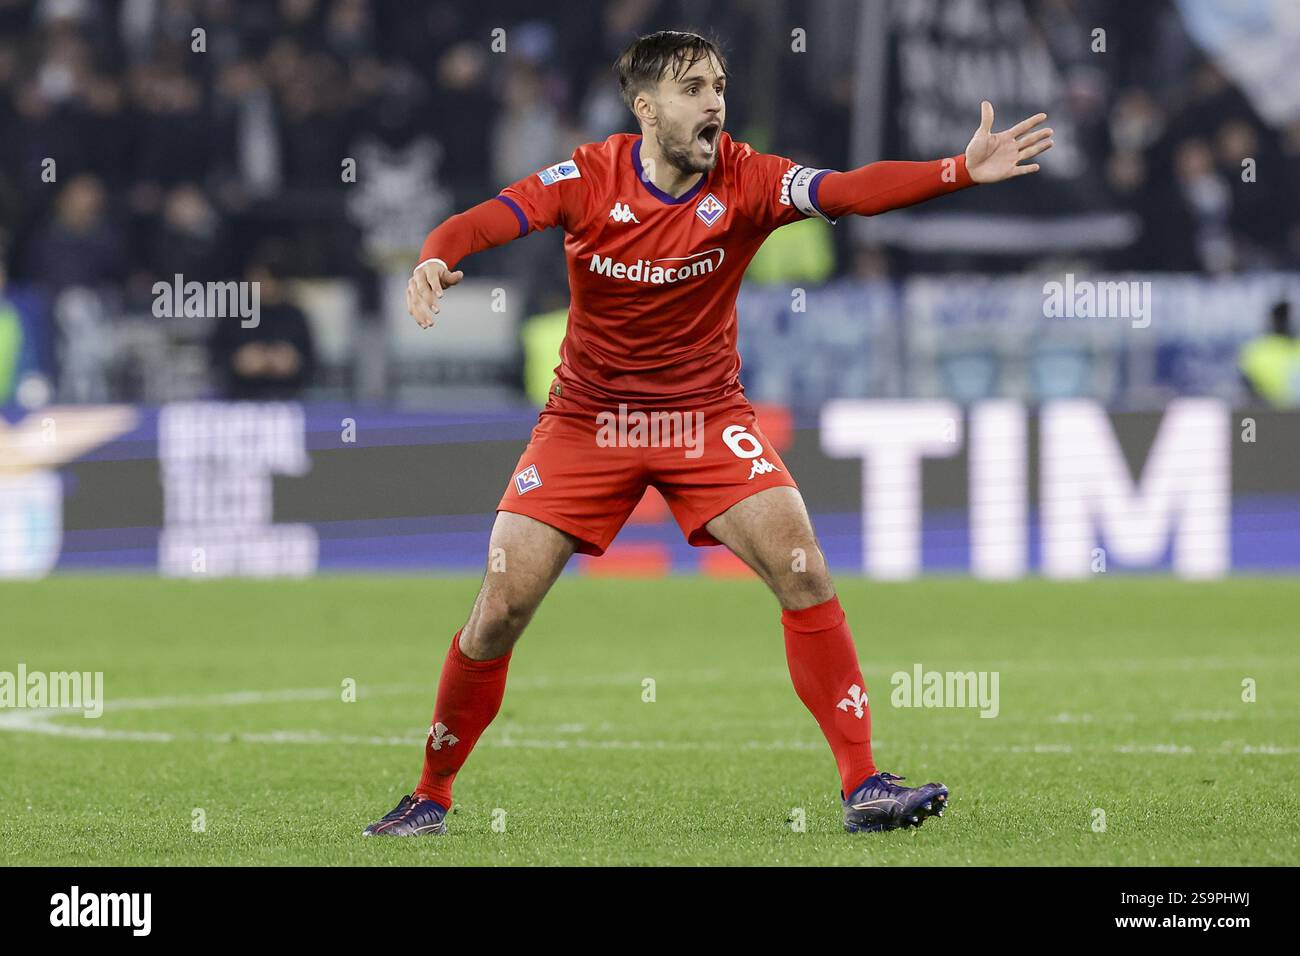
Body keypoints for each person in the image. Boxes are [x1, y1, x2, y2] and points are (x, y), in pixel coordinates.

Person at [366, 31, 1052, 837]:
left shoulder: (748, 178)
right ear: (646, 108)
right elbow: (481, 222)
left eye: (719, 85)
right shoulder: (588, 176)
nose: (715, 102)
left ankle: (864, 783)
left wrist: (957, 171)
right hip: (589, 423)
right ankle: (430, 797)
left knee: (803, 567)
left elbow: (849, 192)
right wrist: (434, 257)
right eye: (694, 88)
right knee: (500, 608)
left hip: (704, 419)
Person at [1239, 300, 1300, 407]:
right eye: (1282, 317)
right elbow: (1249, 394)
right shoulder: (1255, 352)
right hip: (1270, 416)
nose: (1286, 322)